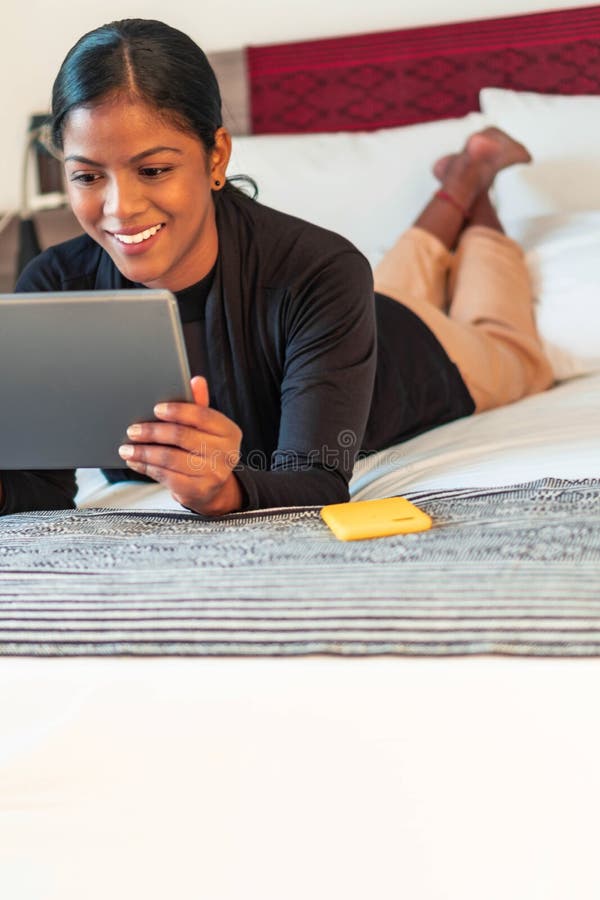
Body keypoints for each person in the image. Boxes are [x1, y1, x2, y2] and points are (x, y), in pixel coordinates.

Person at [0, 18, 553, 518]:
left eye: (153, 169)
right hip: (336, 317)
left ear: (216, 156)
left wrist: (224, 491)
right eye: (88, 176)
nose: (119, 208)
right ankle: (462, 179)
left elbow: (316, 480)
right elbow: (40, 492)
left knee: (514, 350)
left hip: (415, 351)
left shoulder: (321, 271)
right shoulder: (53, 288)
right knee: (392, 277)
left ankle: (474, 179)